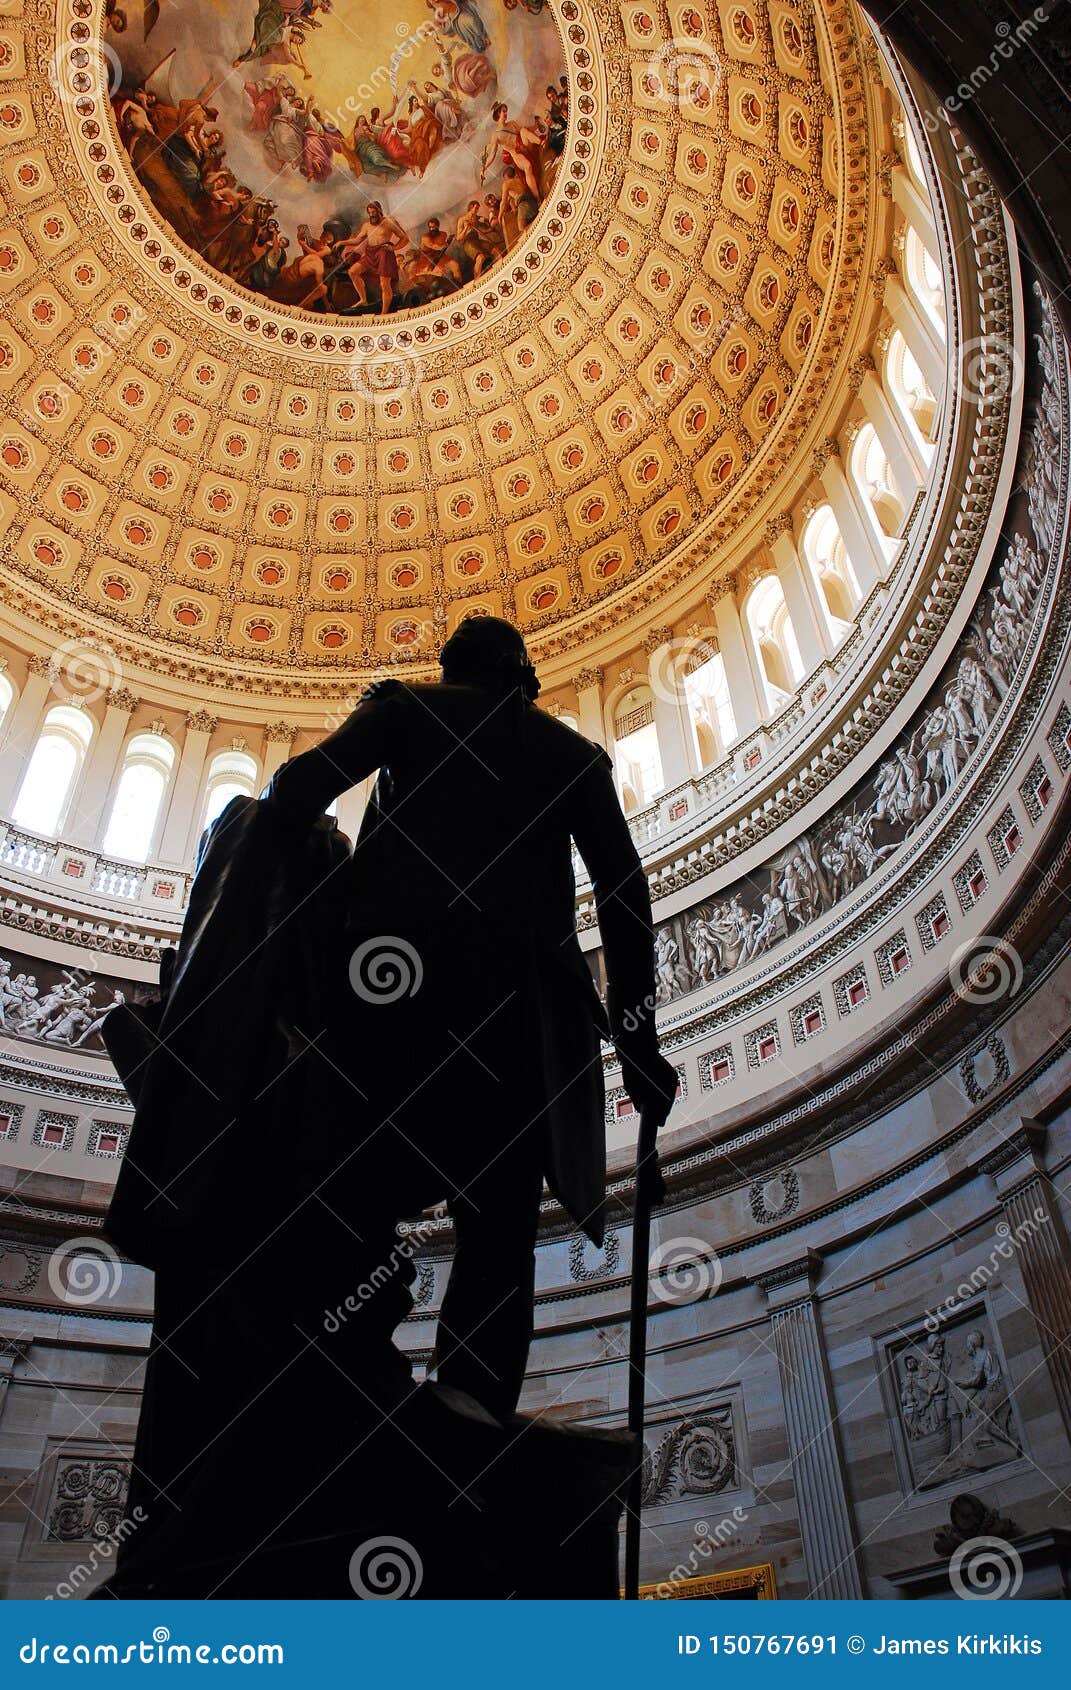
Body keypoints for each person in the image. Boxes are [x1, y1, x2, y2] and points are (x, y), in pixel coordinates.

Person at [267, 616, 676, 1420]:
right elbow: (625, 898)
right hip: (516, 1029)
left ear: (450, 668)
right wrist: (637, 1042)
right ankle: (472, 1415)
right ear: (521, 677)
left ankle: (343, 1383)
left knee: (355, 1201)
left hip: (388, 1009)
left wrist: (293, 932)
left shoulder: (401, 711)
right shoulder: (568, 755)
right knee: (497, 1241)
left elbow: (294, 790)